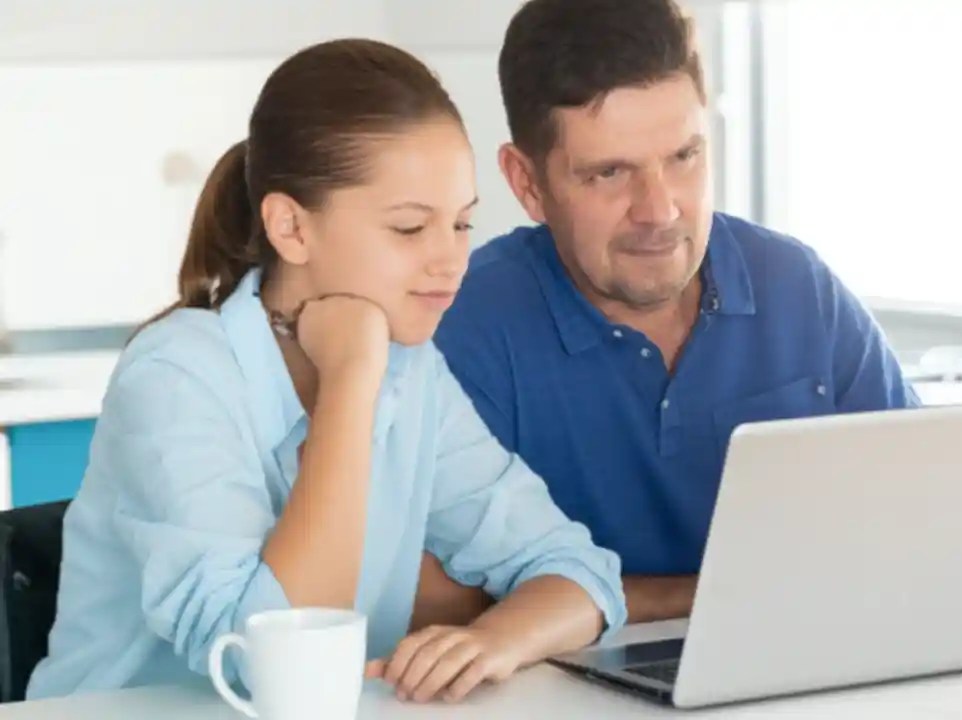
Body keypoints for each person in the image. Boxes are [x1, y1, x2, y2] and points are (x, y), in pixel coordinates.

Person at [27, 38, 625, 704]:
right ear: (290, 227)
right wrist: (350, 382)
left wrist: (497, 639)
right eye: (407, 228)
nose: (450, 260)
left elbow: (580, 572)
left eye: (461, 225)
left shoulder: (411, 371)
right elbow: (266, 662)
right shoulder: (178, 376)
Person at [432, 0, 919, 625]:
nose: (659, 211)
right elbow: (444, 606)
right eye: (610, 173)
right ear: (528, 183)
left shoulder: (799, 289)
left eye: (684, 157)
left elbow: (914, 521)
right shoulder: (464, 328)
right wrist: (711, 598)